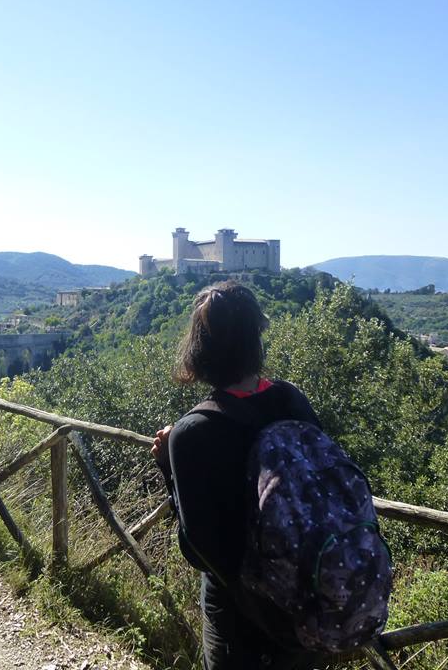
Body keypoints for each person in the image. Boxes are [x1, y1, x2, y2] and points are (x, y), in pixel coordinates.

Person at [151, 281, 328, 670]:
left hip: (243, 622)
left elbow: (198, 549)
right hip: (308, 601)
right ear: (255, 341)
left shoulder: (193, 432)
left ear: (199, 348)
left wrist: (168, 466)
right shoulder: (291, 399)